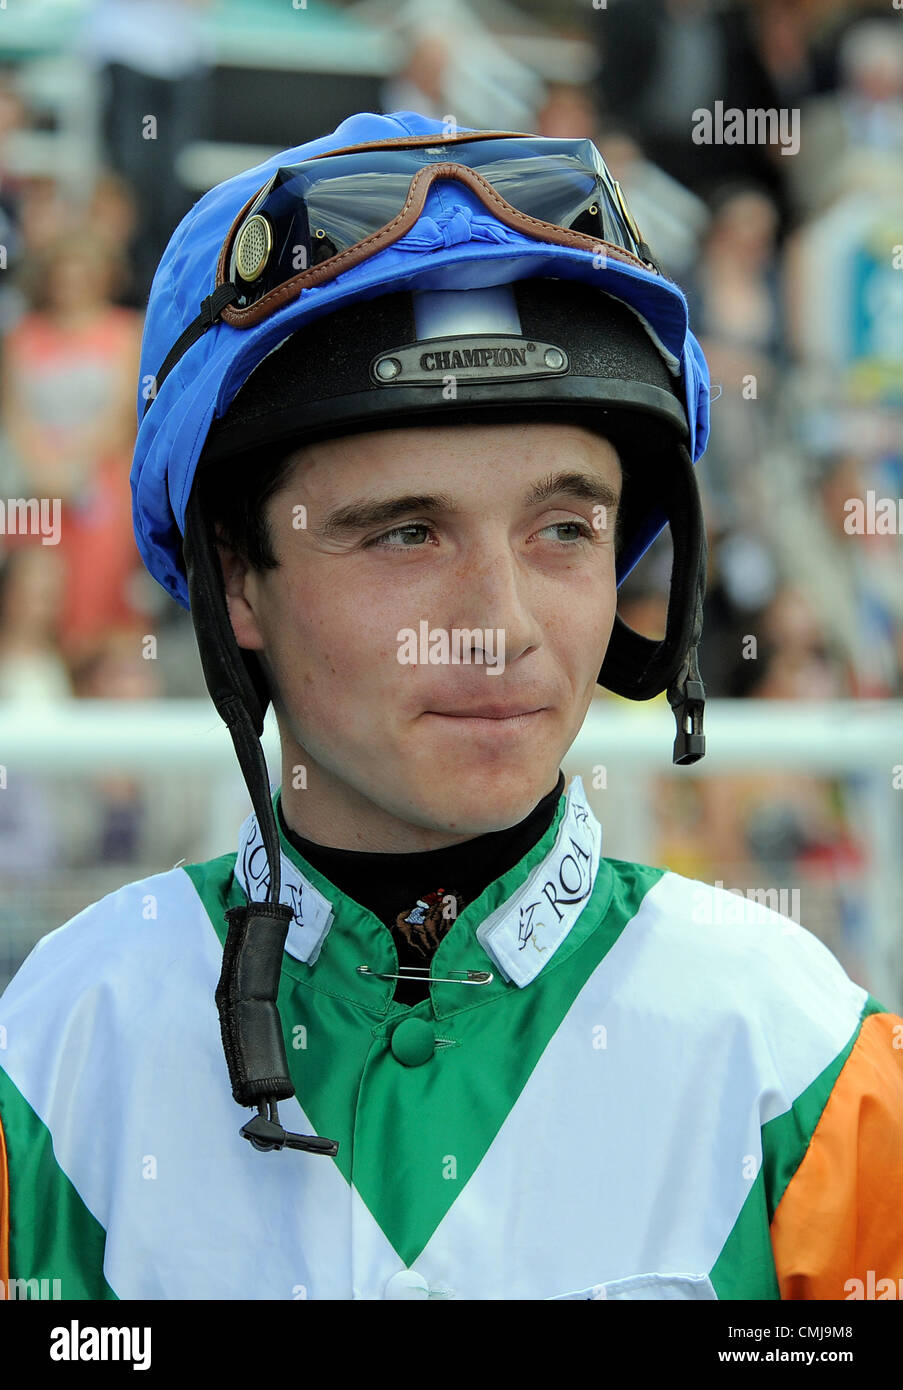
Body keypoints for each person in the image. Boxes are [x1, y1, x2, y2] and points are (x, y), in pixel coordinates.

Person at [0, 111, 901, 1303]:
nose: (504, 623)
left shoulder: (810, 1064)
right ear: (235, 579)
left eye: (566, 529)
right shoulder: (57, 1052)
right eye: (408, 533)